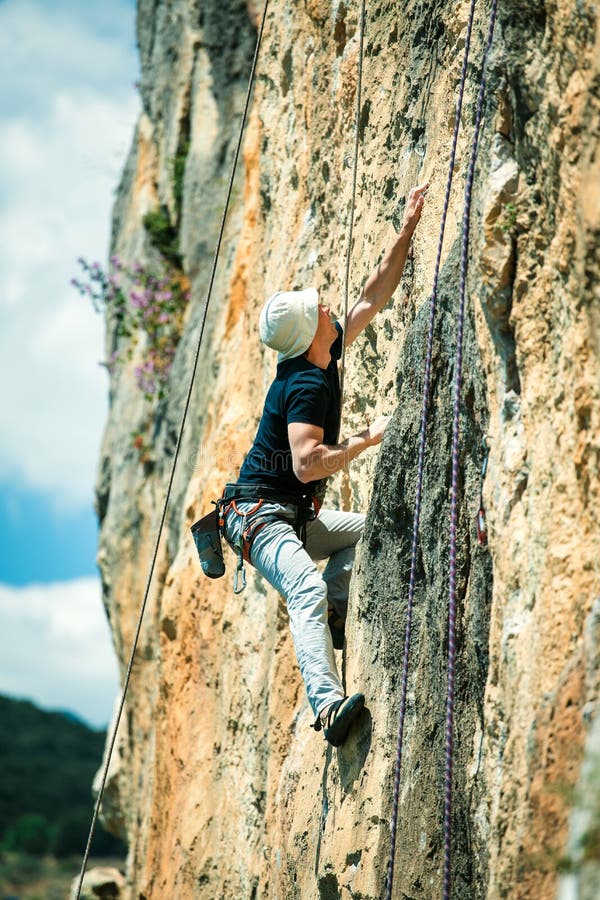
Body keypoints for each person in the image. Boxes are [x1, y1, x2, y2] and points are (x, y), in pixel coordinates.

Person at [221, 183, 428, 747]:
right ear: (308, 330)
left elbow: (372, 297)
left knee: (375, 533)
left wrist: (406, 228)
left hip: (287, 514)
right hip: (257, 517)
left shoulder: (322, 347)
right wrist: (368, 437)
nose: (329, 307)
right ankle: (327, 707)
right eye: (319, 309)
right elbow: (309, 464)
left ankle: (338, 611)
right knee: (302, 589)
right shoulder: (307, 383)